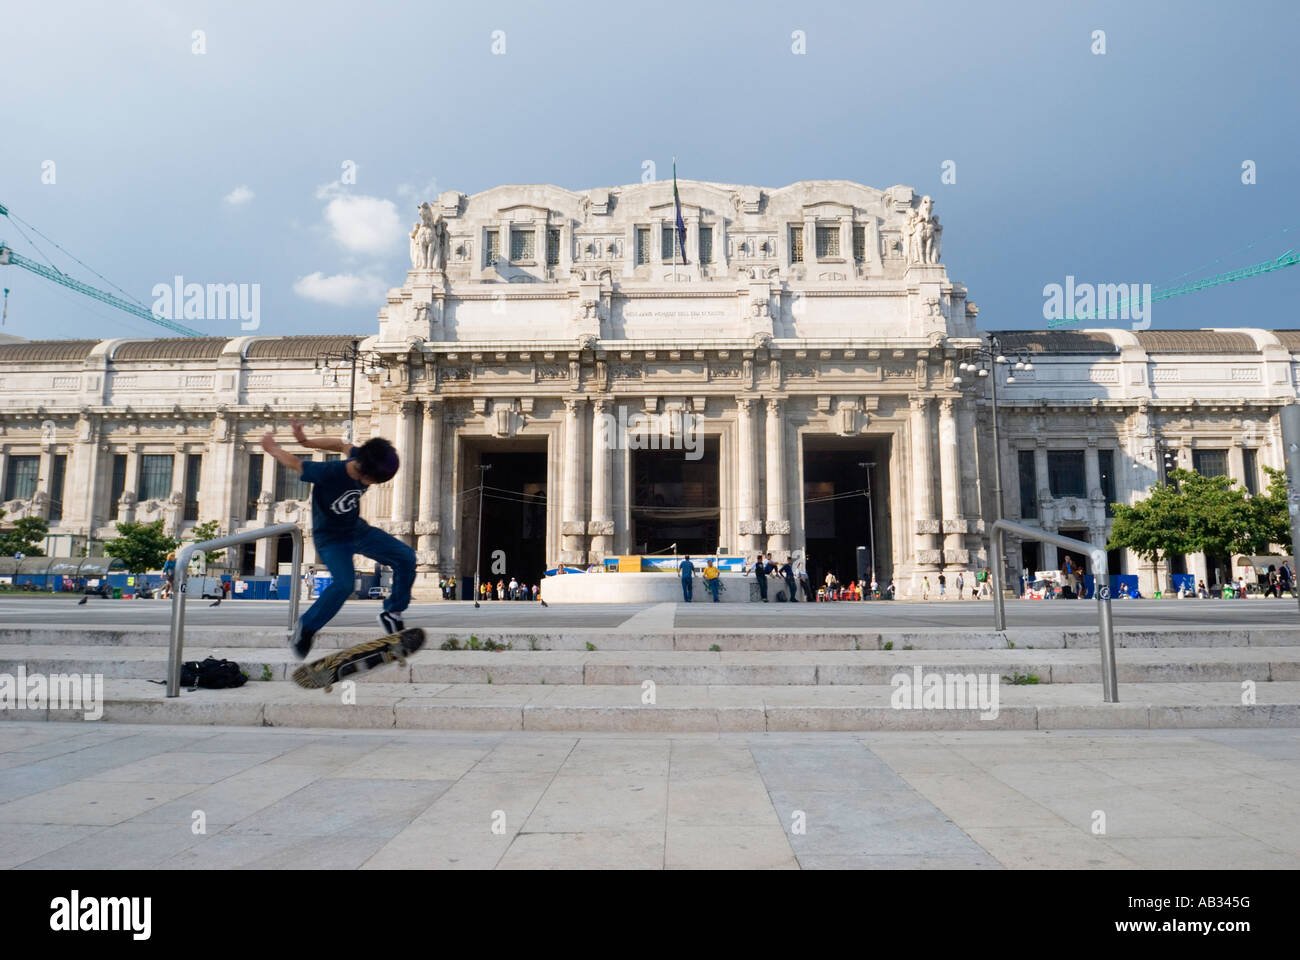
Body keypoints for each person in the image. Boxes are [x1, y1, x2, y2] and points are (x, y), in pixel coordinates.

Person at [263, 420, 412, 658]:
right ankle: (306, 627)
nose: (372, 485)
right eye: (373, 481)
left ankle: (392, 613)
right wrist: (272, 449)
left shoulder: (360, 456)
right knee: (344, 583)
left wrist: (305, 441)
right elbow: (295, 463)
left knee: (405, 557)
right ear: (364, 472)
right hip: (331, 539)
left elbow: (341, 444)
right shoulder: (329, 473)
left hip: (356, 530)